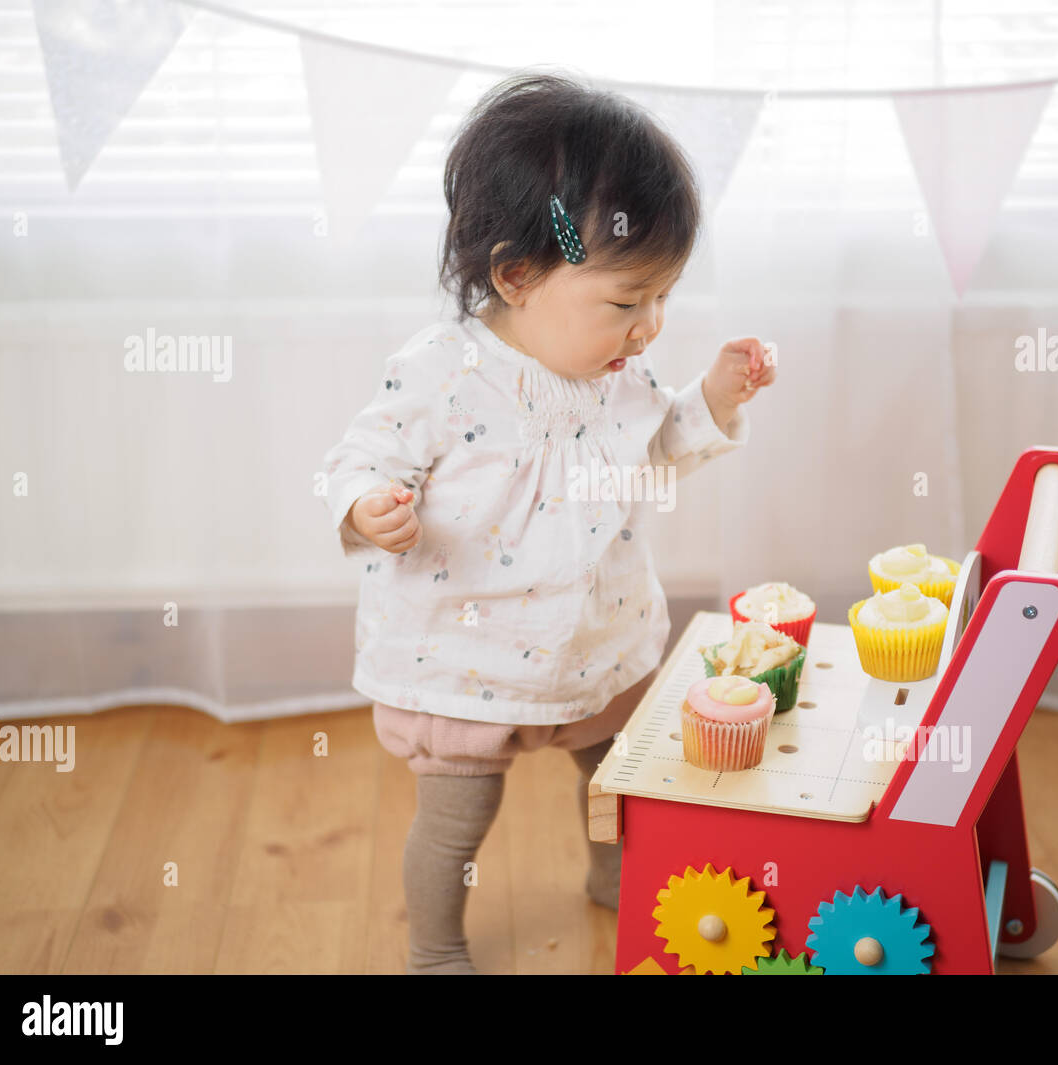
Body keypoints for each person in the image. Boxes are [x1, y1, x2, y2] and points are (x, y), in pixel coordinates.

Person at [322, 71, 776, 974]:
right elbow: (360, 456)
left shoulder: (620, 375)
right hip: (462, 656)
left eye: (663, 298)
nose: (649, 328)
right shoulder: (441, 373)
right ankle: (436, 944)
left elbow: (662, 445)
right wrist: (368, 508)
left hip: (594, 641)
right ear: (517, 274)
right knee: (456, 822)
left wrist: (716, 397)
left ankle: (616, 876)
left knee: (618, 778)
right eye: (625, 302)